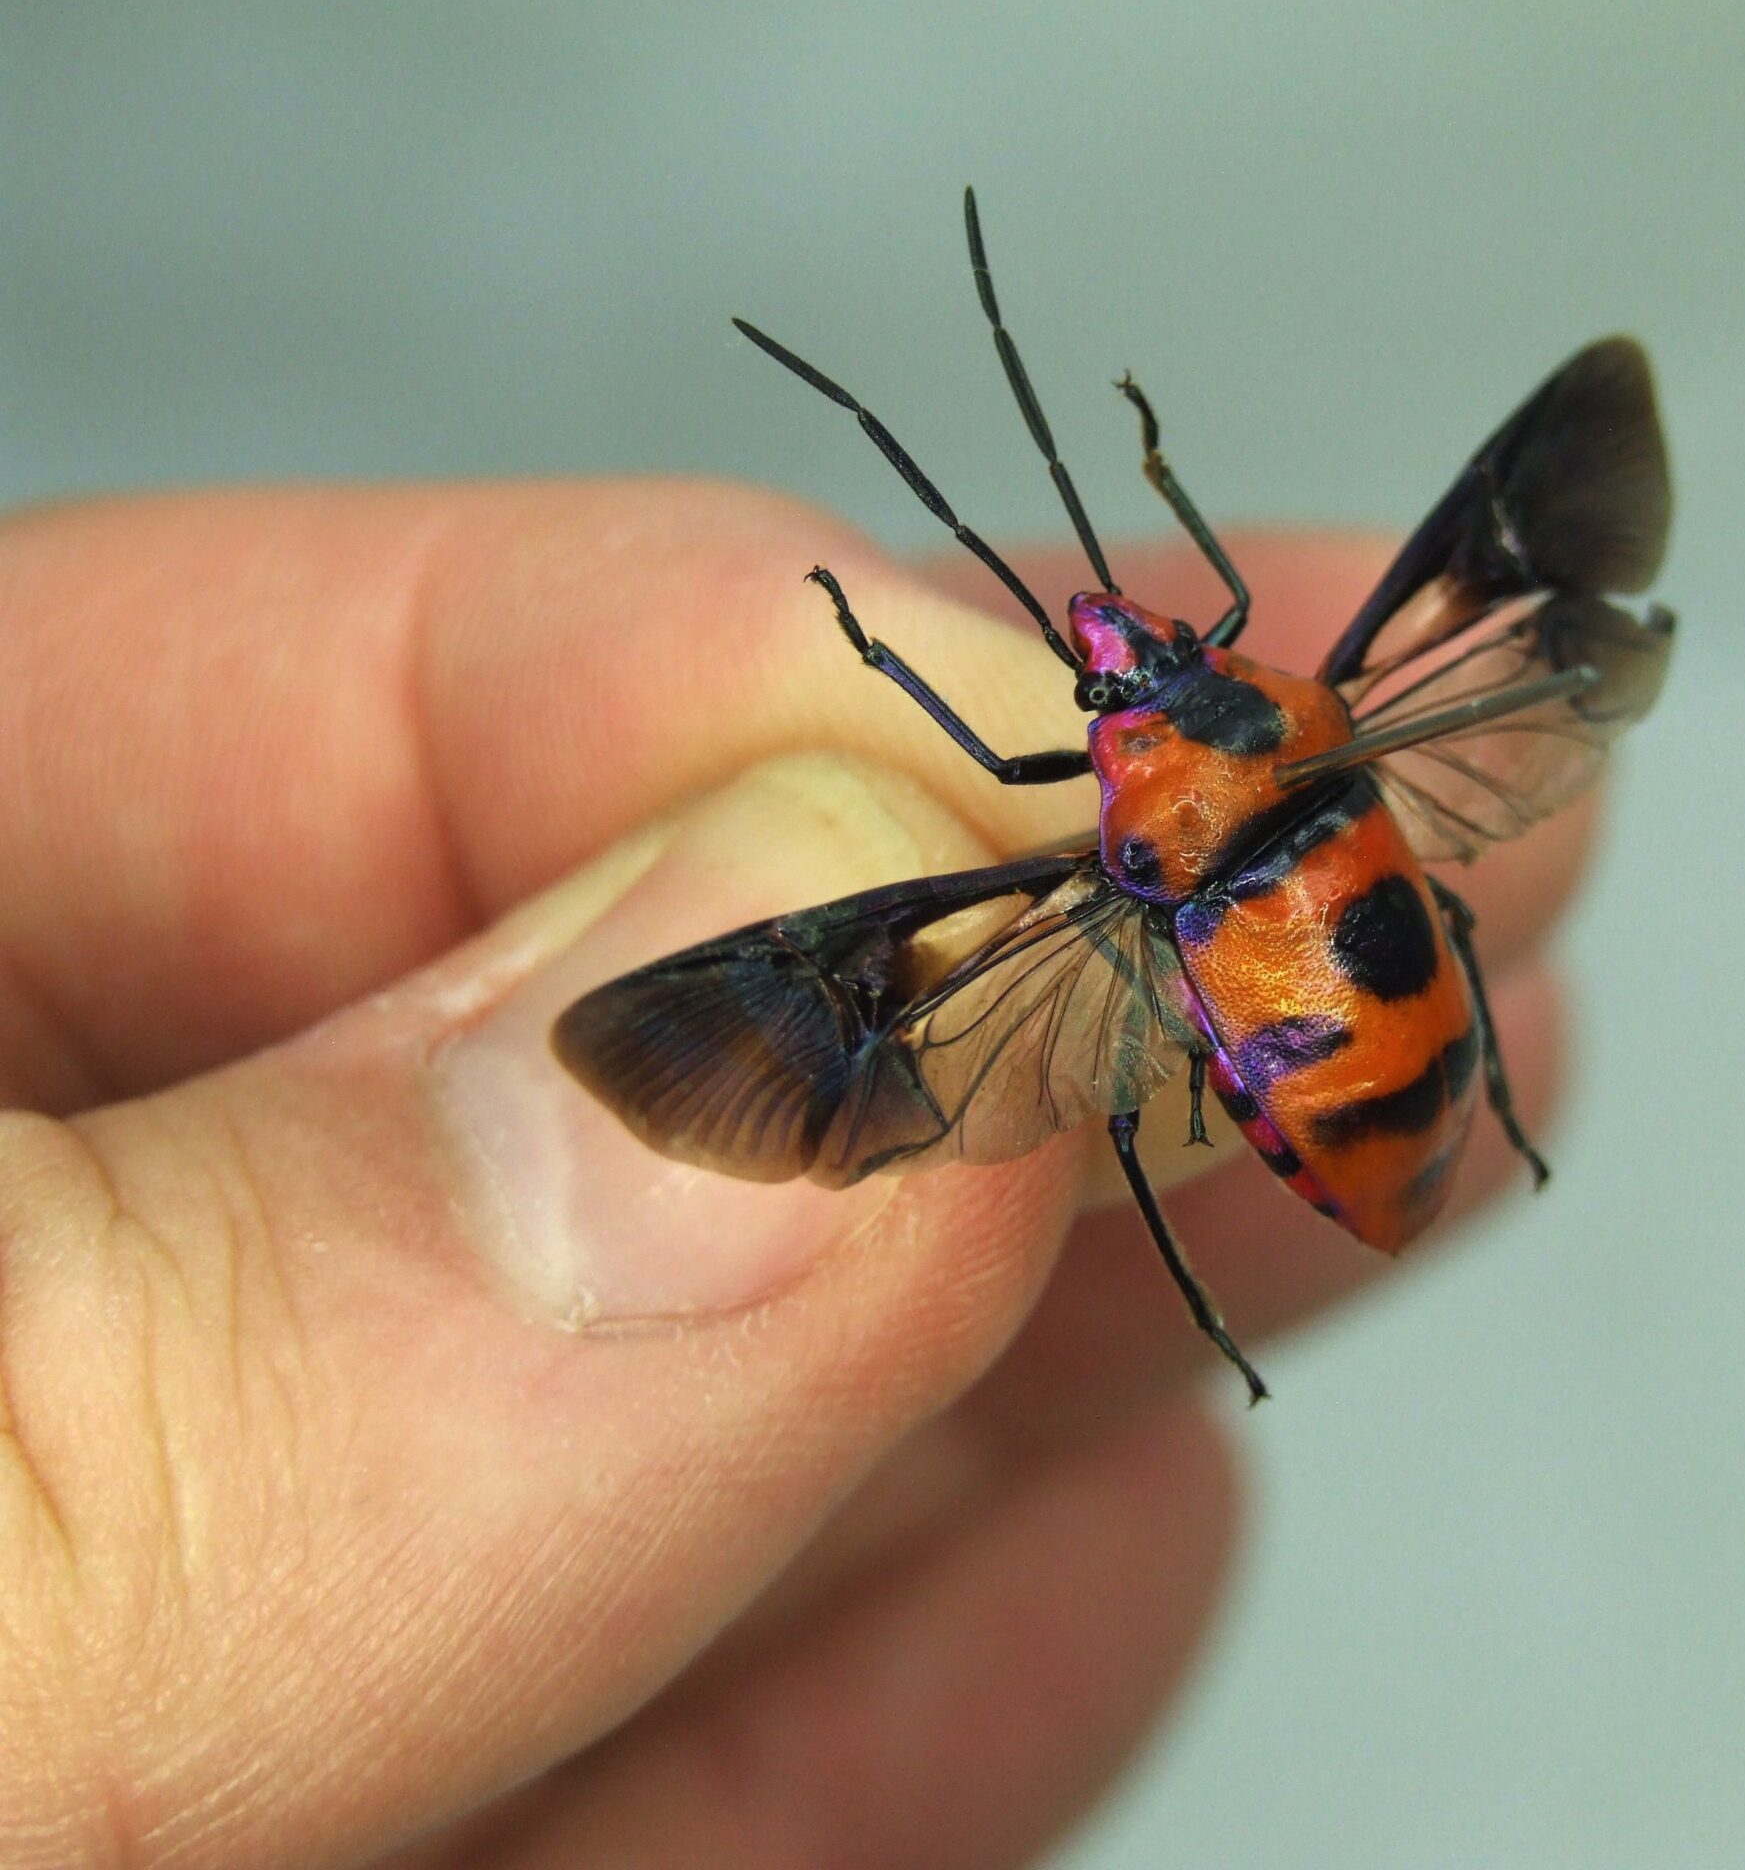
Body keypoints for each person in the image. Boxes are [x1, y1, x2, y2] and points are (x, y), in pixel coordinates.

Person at [0, 480, 1585, 1868]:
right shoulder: (1337, 717)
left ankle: (1289, 1269)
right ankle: (1472, 1132)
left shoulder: (1131, 848)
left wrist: (883, 654)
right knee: (1318, 994)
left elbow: (997, 754)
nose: (1127, 647)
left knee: (1116, 1115)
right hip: (1386, 1024)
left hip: (1315, 1051)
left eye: (1134, 669)